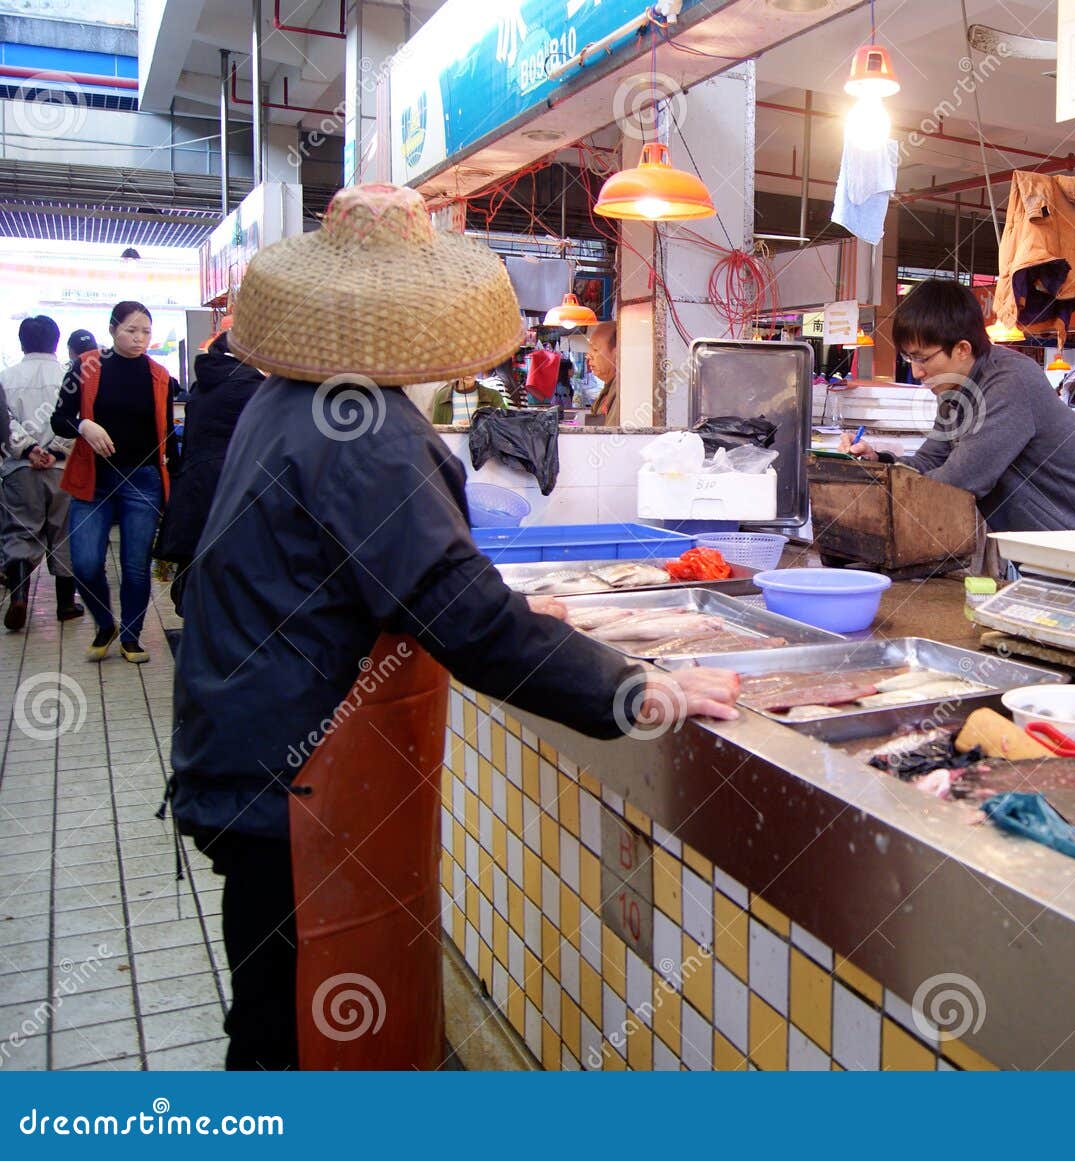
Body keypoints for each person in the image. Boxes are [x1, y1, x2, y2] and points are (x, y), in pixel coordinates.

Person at [165, 183, 739, 1071]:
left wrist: (514, 611)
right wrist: (633, 688)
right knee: (295, 1036)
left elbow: (378, 582)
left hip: (251, 757)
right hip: (291, 782)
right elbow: (462, 617)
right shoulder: (363, 433)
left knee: (284, 1014)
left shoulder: (292, 399)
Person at [840, 278, 1075, 533]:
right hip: (1053, 546)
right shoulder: (953, 391)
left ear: (962, 349)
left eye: (923, 358)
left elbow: (957, 481)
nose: (916, 372)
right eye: (909, 359)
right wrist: (879, 462)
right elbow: (931, 462)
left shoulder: (1010, 383)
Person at [50, 301, 173, 663]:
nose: (139, 339)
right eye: (131, 330)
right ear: (112, 329)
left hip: (143, 480)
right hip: (94, 479)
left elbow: (166, 436)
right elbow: (59, 419)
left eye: (146, 332)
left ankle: (131, 636)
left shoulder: (159, 375)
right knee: (85, 563)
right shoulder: (87, 365)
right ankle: (105, 623)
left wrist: (175, 488)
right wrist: (83, 425)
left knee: (135, 566)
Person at [152, 321, 264, 615]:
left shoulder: (204, 385)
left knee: (202, 559)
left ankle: (192, 604)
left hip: (196, 484)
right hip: (231, 486)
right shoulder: (250, 387)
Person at [1, 316, 81, 629]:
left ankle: (20, 595)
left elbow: (3, 421)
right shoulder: (68, 376)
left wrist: (29, 448)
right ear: (56, 341)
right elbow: (75, 418)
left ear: (22, 343)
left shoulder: (5, 378)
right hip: (62, 468)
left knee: (20, 531)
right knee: (64, 534)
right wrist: (54, 449)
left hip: (20, 469)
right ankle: (65, 606)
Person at [429, 374, 508, 425]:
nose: (469, 373)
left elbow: (504, 425)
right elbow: (437, 431)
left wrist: (476, 424)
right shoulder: (442, 396)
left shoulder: (493, 396)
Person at [586, 321, 618, 423]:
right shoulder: (608, 391)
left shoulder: (623, 392)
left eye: (595, 349)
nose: (588, 356)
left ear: (617, 352)